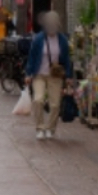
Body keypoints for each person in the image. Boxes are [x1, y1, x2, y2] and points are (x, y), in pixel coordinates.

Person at [24, 10, 72, 140]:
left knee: (55, 104)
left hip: (55, 75)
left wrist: (68, 76)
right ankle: (40, 128)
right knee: (38, 100)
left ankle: (50, 128)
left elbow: (67, 59)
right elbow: (32, 57)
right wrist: (28, 74)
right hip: (39, 74)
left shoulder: (62, 40)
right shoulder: (38, 39)